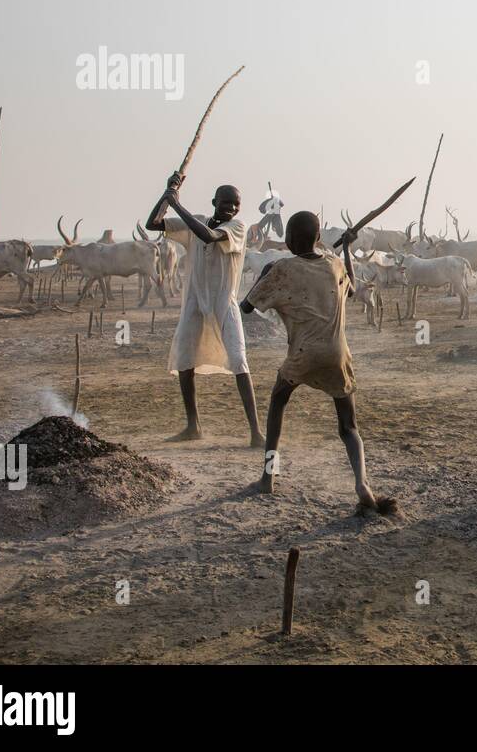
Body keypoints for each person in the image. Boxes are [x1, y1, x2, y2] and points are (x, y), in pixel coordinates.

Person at [240, 210, 396, 515]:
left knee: (277, 401)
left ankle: (268, 475)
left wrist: (265, 273)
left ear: (286, 241)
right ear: (319, 238)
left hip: (302, 354)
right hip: (338, 353)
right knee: (349, 427)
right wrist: (347, 250)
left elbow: (247, 307)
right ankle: (362, 484)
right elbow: (350, 289)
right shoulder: (334, 263)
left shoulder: (282, 268)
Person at [144, 172, 263, 445]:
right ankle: (193, 425)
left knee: (238, 359)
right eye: (225, 203)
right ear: (214, 202)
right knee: (185, 358)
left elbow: (208, 237)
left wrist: (175, 204)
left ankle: (255, 431)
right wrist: (167, 194)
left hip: (224, 301)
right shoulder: (193, 222)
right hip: (195, 300)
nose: (231, 208)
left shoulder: (237, 227)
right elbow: (154, 224)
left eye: (235, 204)